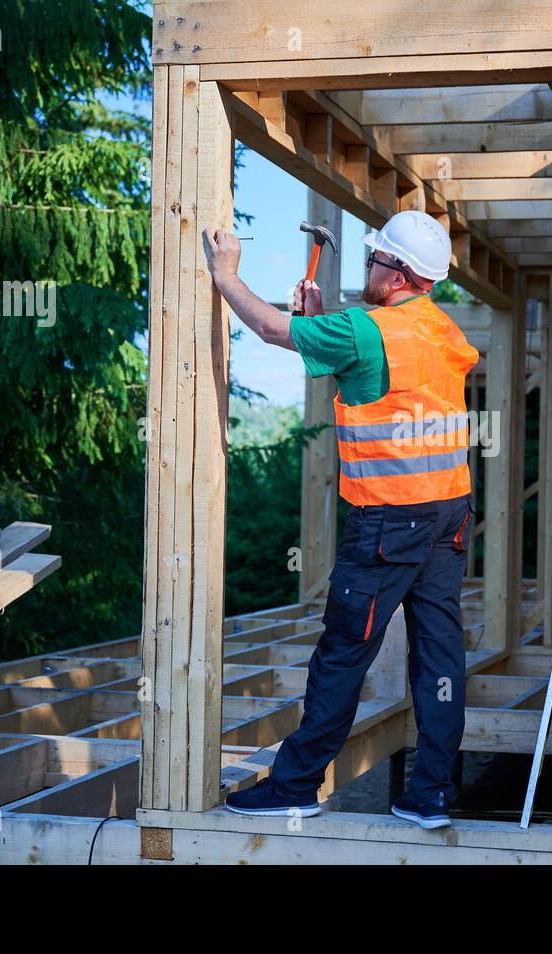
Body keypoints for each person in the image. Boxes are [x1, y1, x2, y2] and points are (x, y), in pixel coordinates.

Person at [202, 209, 479, 829]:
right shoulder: (435, 328)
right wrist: (319, 318)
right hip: (448, 515)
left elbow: (276, 331)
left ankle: (296, 783)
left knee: (343, 652)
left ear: (402, 274)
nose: (368, 266)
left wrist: (226, 278)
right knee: (439, 655)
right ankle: (431, 795)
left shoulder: (363, 330)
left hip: (389, 522)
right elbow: (353, 362)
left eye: (376, 260)